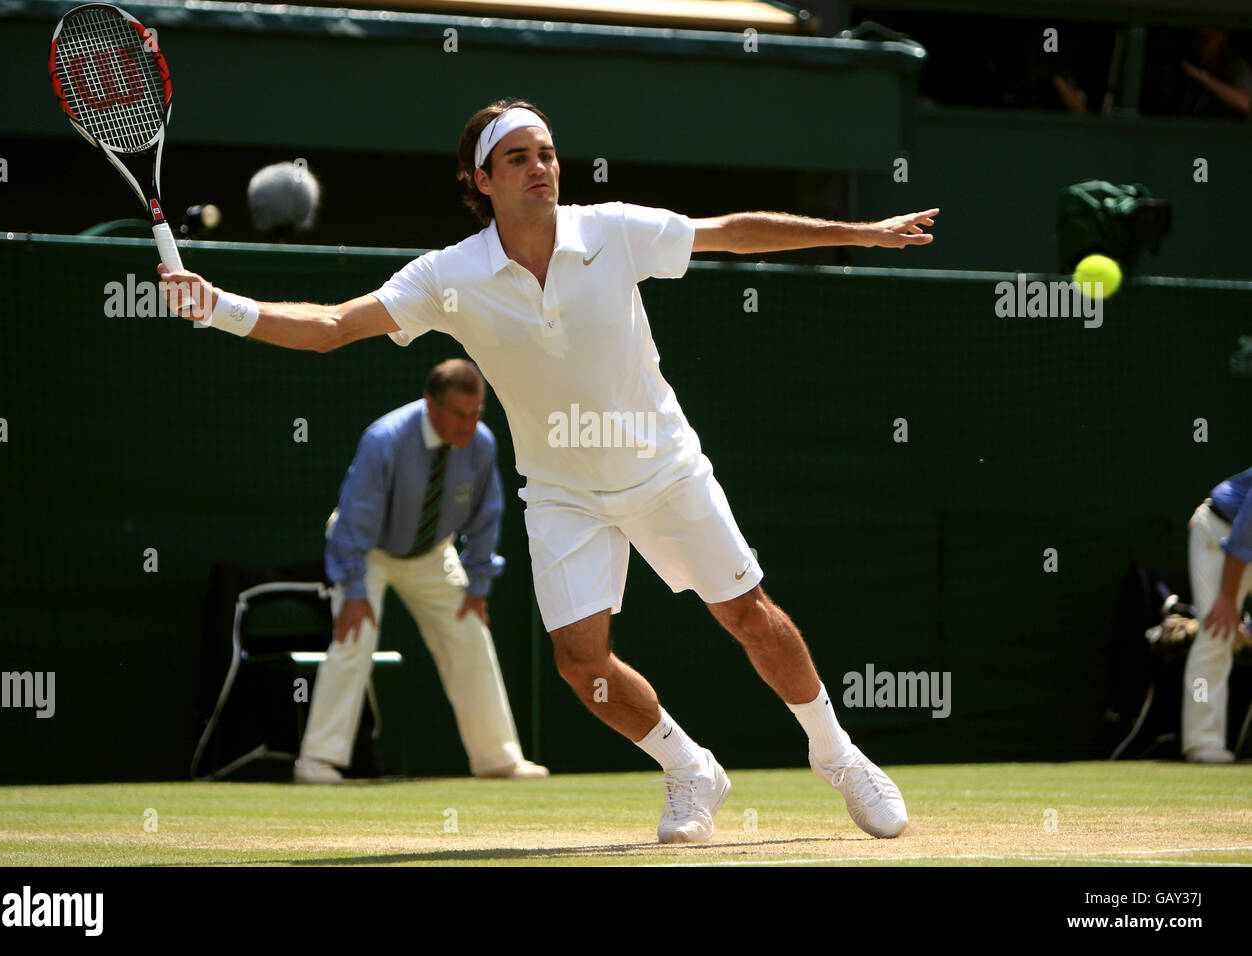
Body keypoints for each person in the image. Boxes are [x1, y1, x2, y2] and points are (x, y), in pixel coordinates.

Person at [161, 98, 938, 842]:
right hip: (563, 494)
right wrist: (220, 306)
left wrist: (861, 233)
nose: (541, 167)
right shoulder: (446, 276)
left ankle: (837, 755)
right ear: (481, 181)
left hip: (664, 467)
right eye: (518, 157)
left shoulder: (615, 231)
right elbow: (334, 327)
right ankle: (690, 768)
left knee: (749, 616)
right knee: (580, 663)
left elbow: (731, 232)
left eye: (547, 153)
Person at [294, 359, 548, 782]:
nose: (467, 425)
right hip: (368, 552)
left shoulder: (482, 444)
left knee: (471, 635)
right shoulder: (385, 440)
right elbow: (353, 523)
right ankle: (317, 761)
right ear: (431, 405)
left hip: (433, 551)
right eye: (458, 414)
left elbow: (487, 518)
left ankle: (498, 760)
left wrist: (477, 586)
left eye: (475, 414)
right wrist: (354, 593)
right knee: (353, 638)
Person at [1181, 466, 1252, 763]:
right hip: (1220, 533)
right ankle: (1203, 742)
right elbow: (1246, 531)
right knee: (1217, 632)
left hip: (1241, 540)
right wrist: (1227, 597)